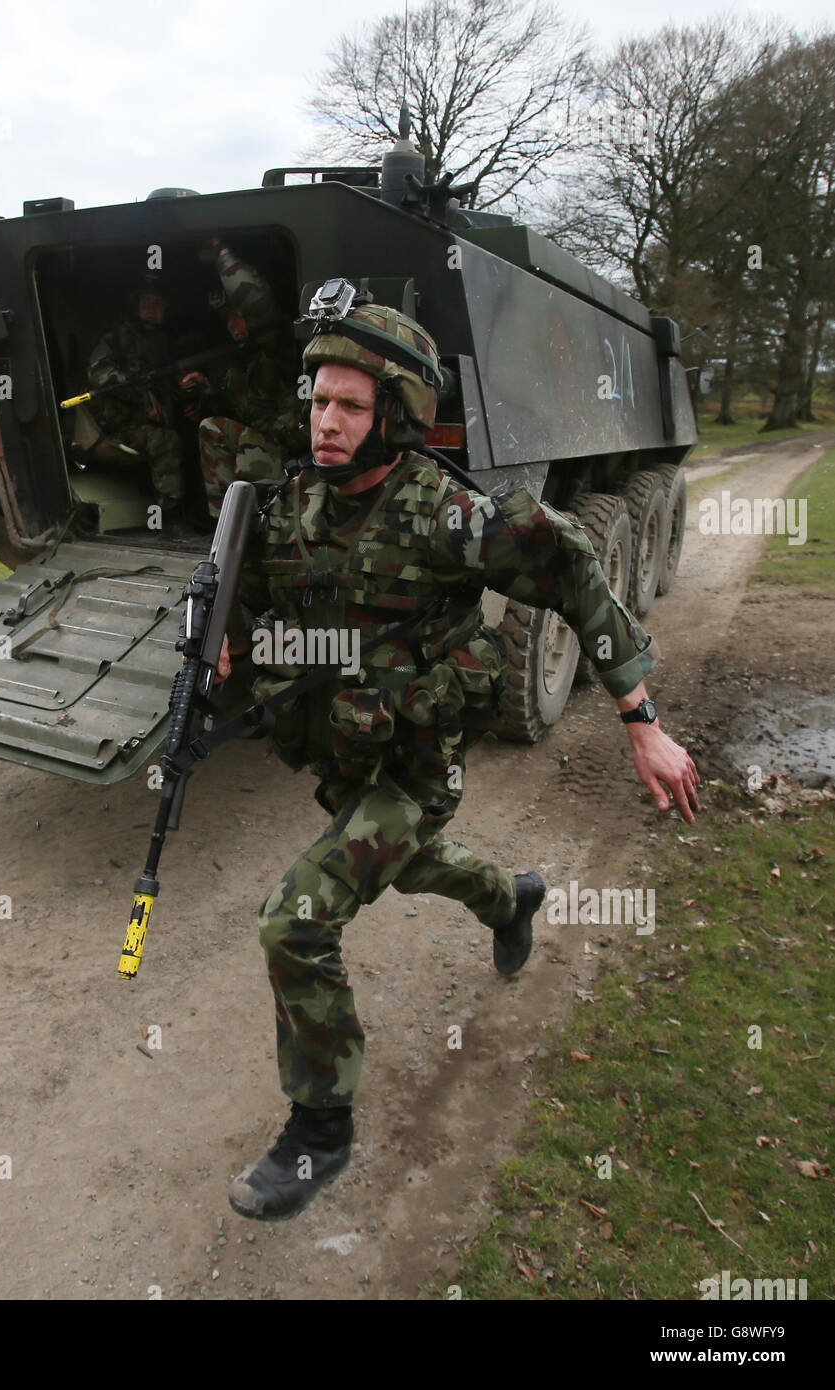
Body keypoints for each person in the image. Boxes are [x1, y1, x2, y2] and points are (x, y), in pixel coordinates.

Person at [220, 286, 701, 1223]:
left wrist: (641, 718)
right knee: (404, 868)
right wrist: (234, 644)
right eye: (318, 398)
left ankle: (321, 1135)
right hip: (344, 759)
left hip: (414, 765)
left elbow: (575, 575)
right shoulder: (290, 509)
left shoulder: (450, 517)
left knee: (294, 920)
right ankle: (509, 895)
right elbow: (271, 614)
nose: (326, 419)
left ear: (393, 415)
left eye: (350, 405)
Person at [180, 241, 305, 521]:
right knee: (210, 428)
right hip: (264, 443)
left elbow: (255, 301)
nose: (234, 326)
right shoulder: (241, 361)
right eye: (230, 319)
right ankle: (224, 526)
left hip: (289, 449)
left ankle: (238, 525)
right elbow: (243, 407)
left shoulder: (276, 348)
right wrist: (207, 390)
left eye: (241, 318)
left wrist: (223, 256)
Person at [85, 275, 187, 524]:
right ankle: (169, 521)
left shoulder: (167, 342)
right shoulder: (117, 337)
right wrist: (141, 395)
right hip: (115, 427)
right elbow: (98, 374)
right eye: (146, 302)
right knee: (166, 441)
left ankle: (196, 511)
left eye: (159, 304)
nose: (152, 310)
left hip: (148, 420)